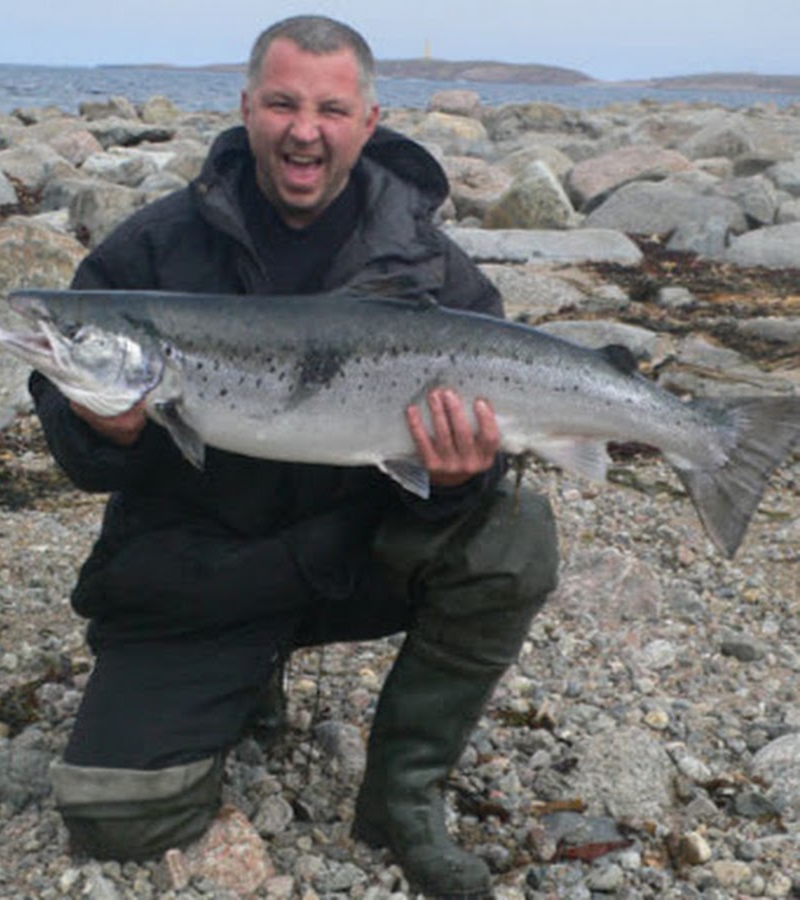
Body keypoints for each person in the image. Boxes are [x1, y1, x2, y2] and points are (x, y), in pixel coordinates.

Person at [32, 15, 559, 898]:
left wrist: (460, 477)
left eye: (329, 108)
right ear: (245, 108)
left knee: (512, 536)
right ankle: (245, 677)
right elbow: (75, 442)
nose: (303, 129)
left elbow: (468, 480)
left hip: (359, 556)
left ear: (370, 120)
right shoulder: (150, 254)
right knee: (119, 818)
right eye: (281, 103)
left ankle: (403, 799)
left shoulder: (436, 272)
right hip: (203, 572)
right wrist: (100, 429)